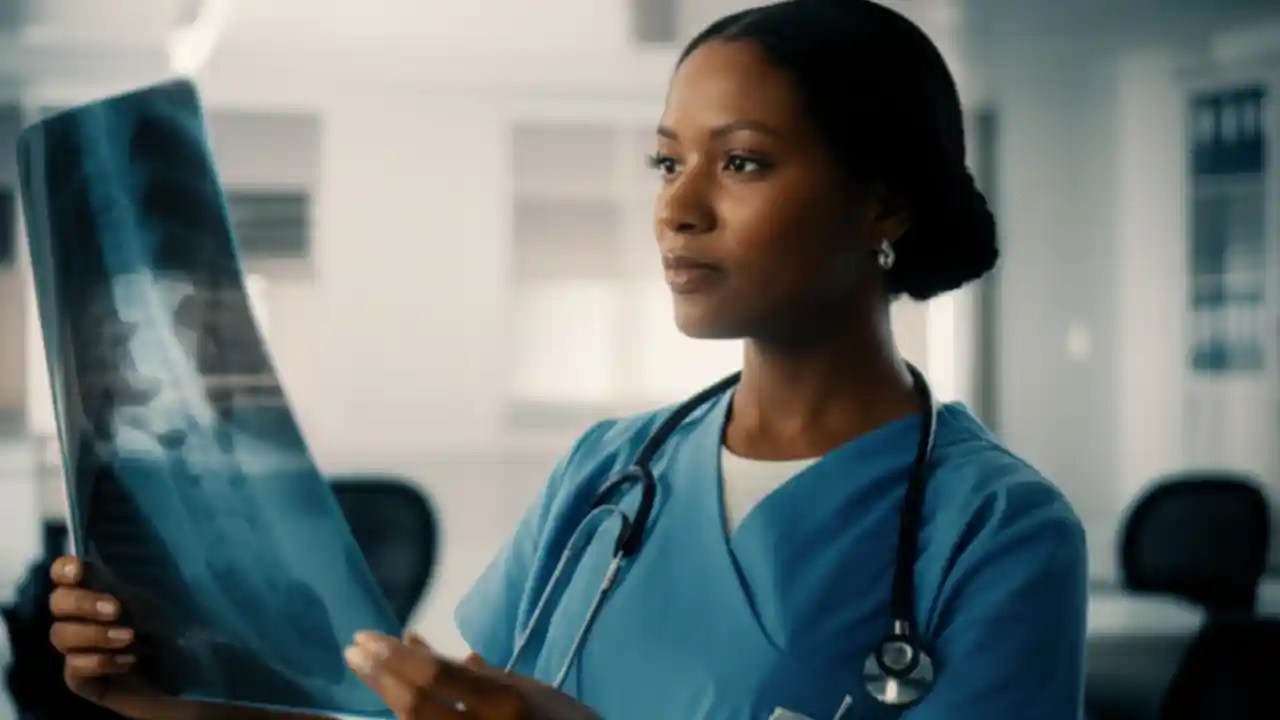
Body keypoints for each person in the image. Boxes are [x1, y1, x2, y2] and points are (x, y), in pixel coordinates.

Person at [46, 1, 1088, 718]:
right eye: (664, 161)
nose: (676, 209)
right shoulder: (610, 468)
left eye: (739, 162)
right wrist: (170, 699)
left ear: (881, 203)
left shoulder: (996, 529)